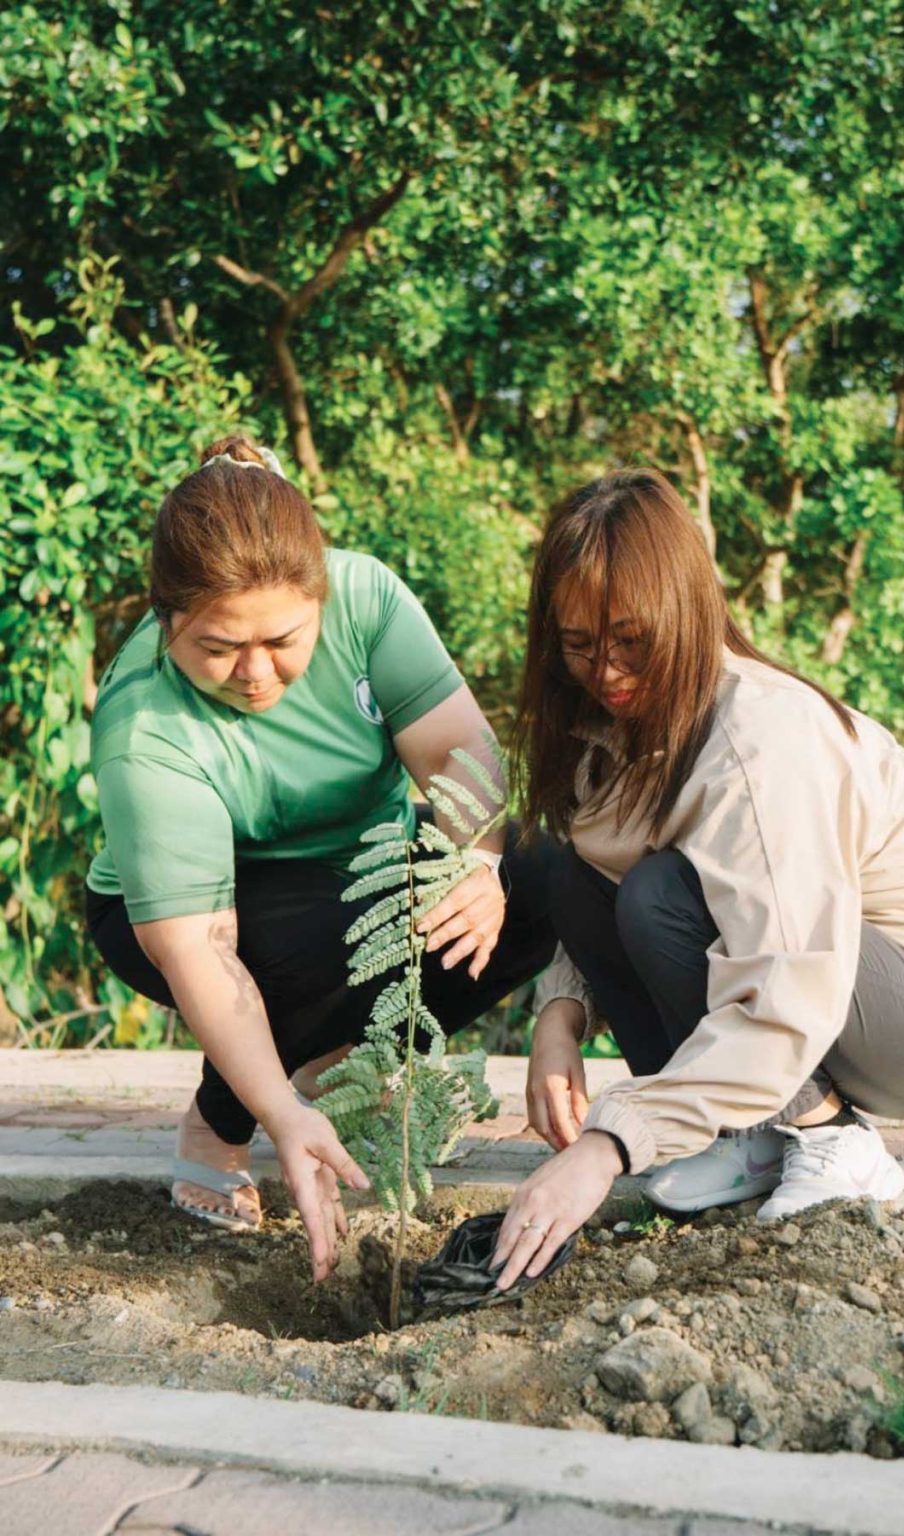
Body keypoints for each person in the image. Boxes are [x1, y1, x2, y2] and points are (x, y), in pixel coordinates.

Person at [491, 468, 904, 1294]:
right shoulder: (608, 728)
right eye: (579, 644)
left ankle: (831, 1140)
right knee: (565, 871)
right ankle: (746, 1135)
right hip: (814, 983)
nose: (606, 669)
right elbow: (592, 882)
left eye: (631, 639)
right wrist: (559, 1015)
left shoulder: (761, 739)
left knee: (664, 893)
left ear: (686, 612)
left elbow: (787, 990)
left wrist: (609, 1143)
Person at [85, 435, 555, 1283]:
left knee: (541, 875)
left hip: (356, 864)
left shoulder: (367, 596)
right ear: (166, 620)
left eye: (281, 640)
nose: (255, 674)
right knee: (325, 946)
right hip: (199, 909)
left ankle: (328, 1055)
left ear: (321, 596)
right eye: (219, 648)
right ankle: (221, 1119)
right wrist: (280, 1115)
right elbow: (201, 948)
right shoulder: (143, 726)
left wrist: (479, 869)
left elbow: (462, 757)